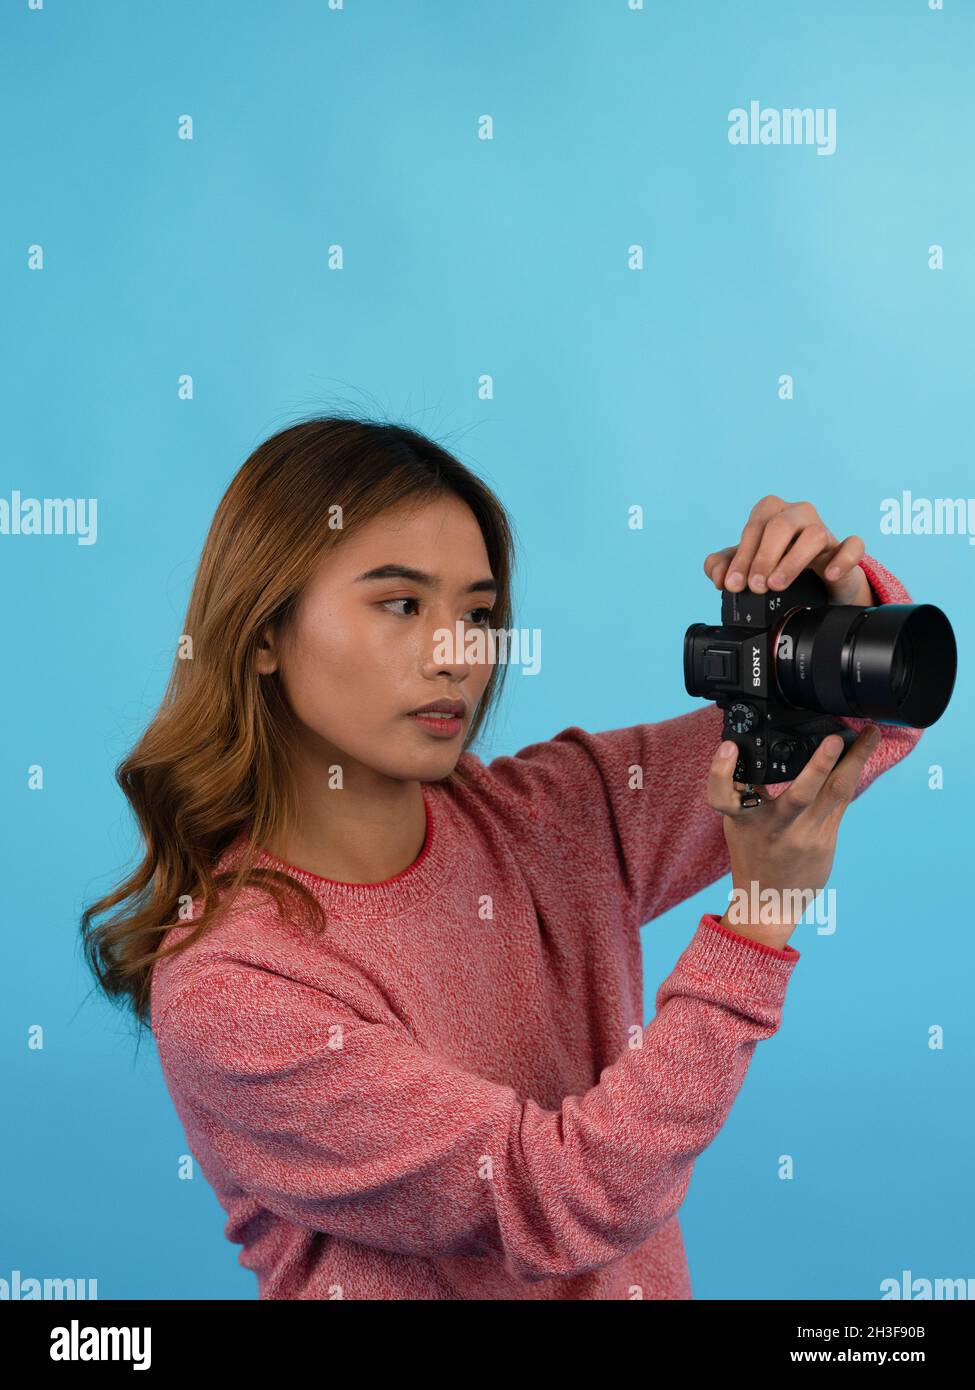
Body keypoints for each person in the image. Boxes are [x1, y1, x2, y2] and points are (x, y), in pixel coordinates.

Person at [80, 417, 921, 1299]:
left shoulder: (551, 817)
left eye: (477, 613)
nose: (458, 654)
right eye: (401, 604)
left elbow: (865, 728)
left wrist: (834, 613)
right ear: (261, 632)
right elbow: (558, 1201)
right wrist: (755, 927)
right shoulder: (235, 987)